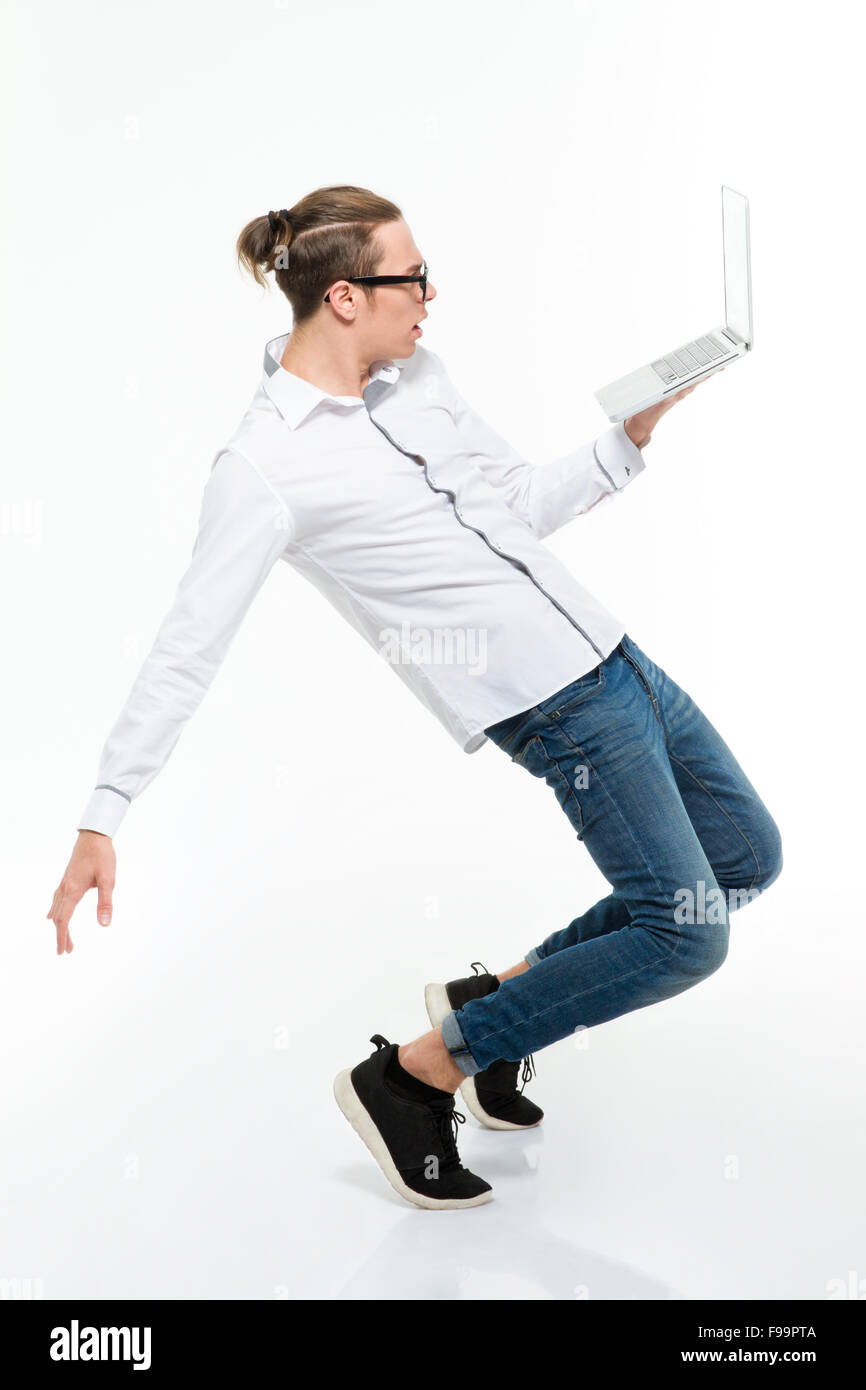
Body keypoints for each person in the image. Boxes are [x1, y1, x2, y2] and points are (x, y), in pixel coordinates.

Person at [47, 183, 782, 1212]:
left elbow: (516, 504)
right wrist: (104, 810)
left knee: (746, 857)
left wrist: (630, 435)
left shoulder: (417, 377)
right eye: (413, 276)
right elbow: (187, 645)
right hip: (560, 711)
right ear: (344, 297)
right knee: (686, 931)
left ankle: (496, 1004)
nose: (430, 295)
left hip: (619, 656)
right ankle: (414, 1071)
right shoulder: (263, 467)